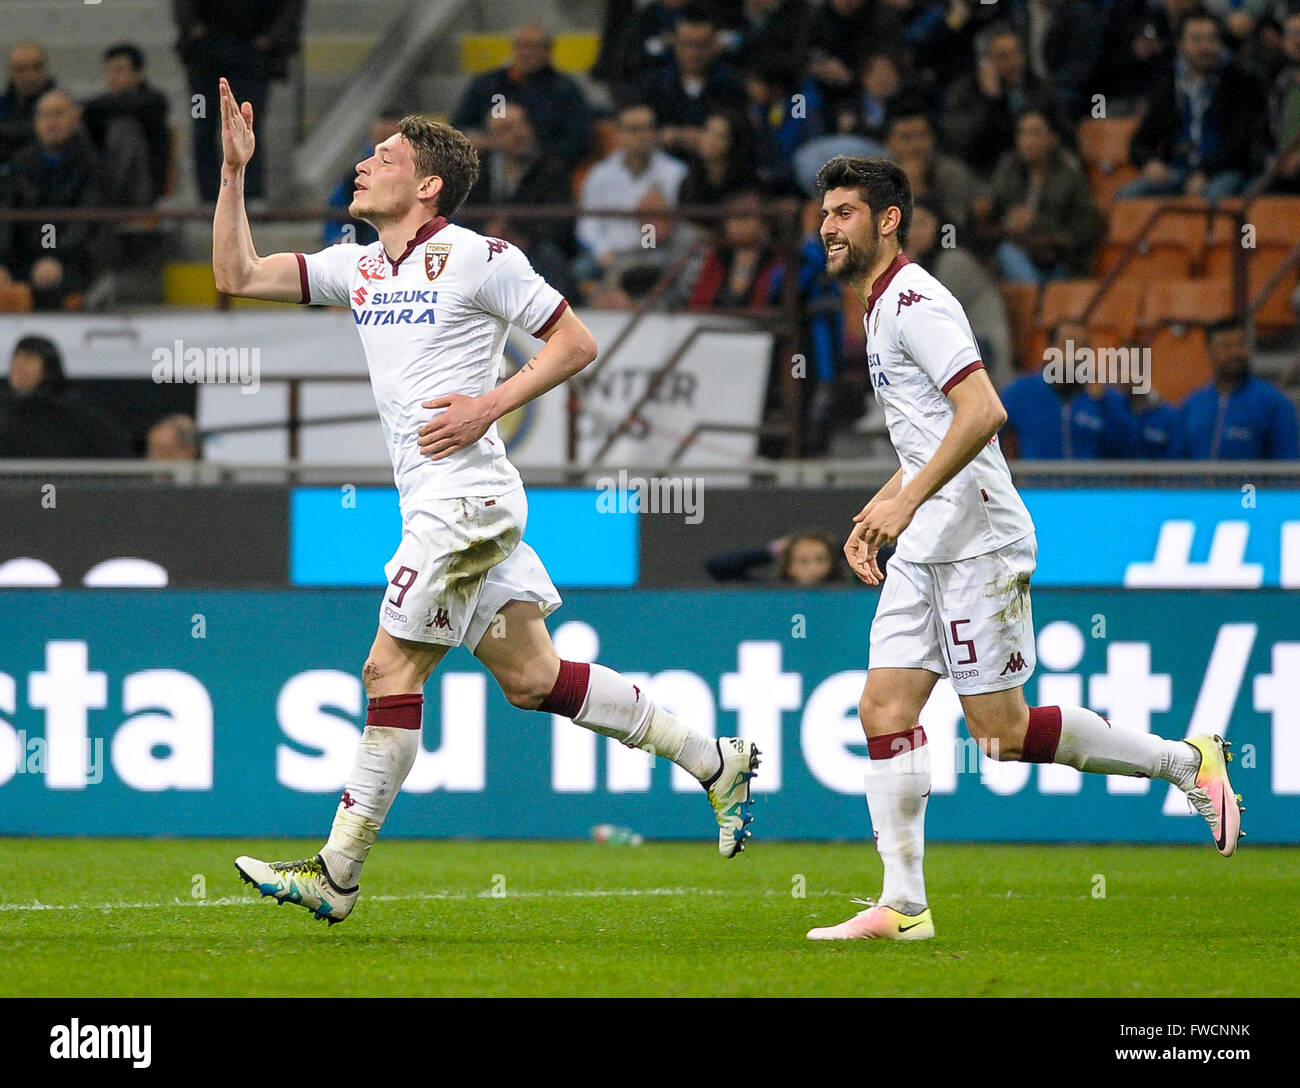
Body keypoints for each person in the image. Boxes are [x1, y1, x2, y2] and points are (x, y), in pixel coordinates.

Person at [211, 79, 760, 924]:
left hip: (463, 501)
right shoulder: (356, 266)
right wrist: (233, 171)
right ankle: (713, 759)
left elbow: (575, 342)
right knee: (533, 679)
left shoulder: (481, 257)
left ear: (426, 185)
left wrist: (488, 403)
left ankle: (337, 871)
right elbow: (236, 271)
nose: (361, 165)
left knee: (387, 670)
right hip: (444, 504)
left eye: (383, 156)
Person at [805, 155, 1240, 943]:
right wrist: (885, 503)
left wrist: (906, 499)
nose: (827, 226)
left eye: (843, 212)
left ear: (889, 219)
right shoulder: (875, 306)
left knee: (1000, 735)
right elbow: (932, 433)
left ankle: (1184, 762)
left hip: (977, 544)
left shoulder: (915, 302)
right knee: (884, 708)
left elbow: (984, 412)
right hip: (927, 543)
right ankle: (902, 908)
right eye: (826, 212)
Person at [1120, 11, 1269, 202]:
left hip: (1222, 171)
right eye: (1197, 39)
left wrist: (1205, 172)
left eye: (1211, 39)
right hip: (1176, 169)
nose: (1205, 46)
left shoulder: (1239, 81)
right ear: (1180, 44)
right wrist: (1150, 162)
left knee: (1212, 199)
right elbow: (1141, 140)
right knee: (1127, 196)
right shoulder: (1168, 84)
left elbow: (1239, 142)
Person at [174, 0, 304, 203]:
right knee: (202, 124)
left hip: (252, 51)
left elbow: (290, 8)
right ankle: (209, 197)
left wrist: (271, 38)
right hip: (205, 53)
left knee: (248, 124)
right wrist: (191, 26)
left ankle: (250, 194)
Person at [0, 90, 106, 311]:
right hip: (22, 258)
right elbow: (6, 217)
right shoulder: (20, 163)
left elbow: (85, 222)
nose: (51, 122)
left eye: (59, 113)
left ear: (76, 118)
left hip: (73, 260)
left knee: (52, 290)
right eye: (44, 115)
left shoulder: (91, 164)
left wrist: (55, 257)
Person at [451, 24, 591, 169]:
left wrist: (533, 152)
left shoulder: (565, 90)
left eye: (535, 47)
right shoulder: (487, 84)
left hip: (544, 170)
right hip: (487, 167)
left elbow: (577, 141)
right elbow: (458, 127)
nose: (527, 53)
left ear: (549, 52)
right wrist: (476, 139)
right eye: (522, 46)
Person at [905, 202, 1012, 389]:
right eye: (910, 225)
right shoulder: (922, 262)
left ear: (940, 227)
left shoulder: (954, 261)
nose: (914, 232)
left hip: (982, 344)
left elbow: (928, 315)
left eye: (922, 223)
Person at [988, 108, 1100, 284]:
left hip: (1059, 260)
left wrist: (1037, 223)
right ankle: (1038, 301)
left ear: (1051, 138)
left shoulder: (1069, 174)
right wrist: (1008, 222)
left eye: (1035, 133)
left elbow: (1086, 225)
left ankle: (1040, 303)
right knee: (1008, 252)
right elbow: (991, 217)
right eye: (1022, 133)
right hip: (1020, 252)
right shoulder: (1008, 171)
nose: (1027, 141)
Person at [998, 320, 1139, 459]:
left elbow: (1130, 449)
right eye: (1068, 346)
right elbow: (989, 431)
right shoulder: (1021, 392)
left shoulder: (1107, 397)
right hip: (1037, 481)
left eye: (1083, 347)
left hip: (1091, 481)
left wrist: (1106, 403)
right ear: (1050, 350)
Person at [576, 104, 688, 273]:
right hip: (610, 256)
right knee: (581, 269)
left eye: (648, 128)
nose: (642, 136)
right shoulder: (601, 174)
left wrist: (651, 250)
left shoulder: (675, 173)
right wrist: (603, 252)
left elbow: (679, 227)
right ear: (619, 134)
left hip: (658, 257)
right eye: (634, 129)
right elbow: (587, 224)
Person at [1171, 317, 1300, 459]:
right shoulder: (1192, 405)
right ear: (1209, 352)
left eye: (1241, 344)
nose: (1236, 353)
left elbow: (1287, 465)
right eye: (1226, 346)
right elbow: (1176, 462)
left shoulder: (1274, 404)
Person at [0, 335, 130, 457]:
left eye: (29, 358)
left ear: (48, 368)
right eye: (17, 357)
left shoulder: (69, 412)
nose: (20, 365)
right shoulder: (6, 409)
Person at [81, 43, 171, 207]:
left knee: (123, 129)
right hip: (103, 182)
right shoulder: (99, 108)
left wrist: (85, 109)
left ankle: (103, 201)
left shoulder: (154, 101)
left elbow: (128, 106)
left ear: (138, 73)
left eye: (119, 70)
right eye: (109, 70)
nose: (112, 76)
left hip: (143, 186)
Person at [324, 111, 402, 247]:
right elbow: (336, 223)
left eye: (390, 141)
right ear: (372, 138)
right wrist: (343, 246)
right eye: (381, 139)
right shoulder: (352, 181)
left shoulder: (418, 181)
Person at [707, 529, 848, 584]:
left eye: (820, 559)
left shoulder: (851, 590)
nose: (813, 568)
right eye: (803, 561)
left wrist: (837, 546)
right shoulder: (772, 594)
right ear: (789, 567)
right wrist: (771, 551)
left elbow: (869, 553)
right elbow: (718, 567)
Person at [0, 41, 55, 164]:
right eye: (21, 69)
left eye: (37, 67)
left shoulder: (61, 108)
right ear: (10, 71)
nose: (30, 76)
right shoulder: (3, 105)